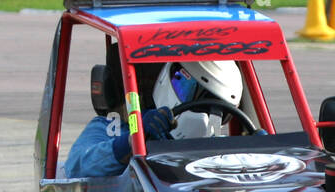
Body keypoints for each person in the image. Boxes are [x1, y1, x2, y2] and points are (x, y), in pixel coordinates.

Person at [63, 60, 244, 177]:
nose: (206, 114)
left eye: (216, 107)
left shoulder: (222, 150)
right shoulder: (114, 127)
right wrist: (132, 140)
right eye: (196, 98)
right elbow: (76, 168)